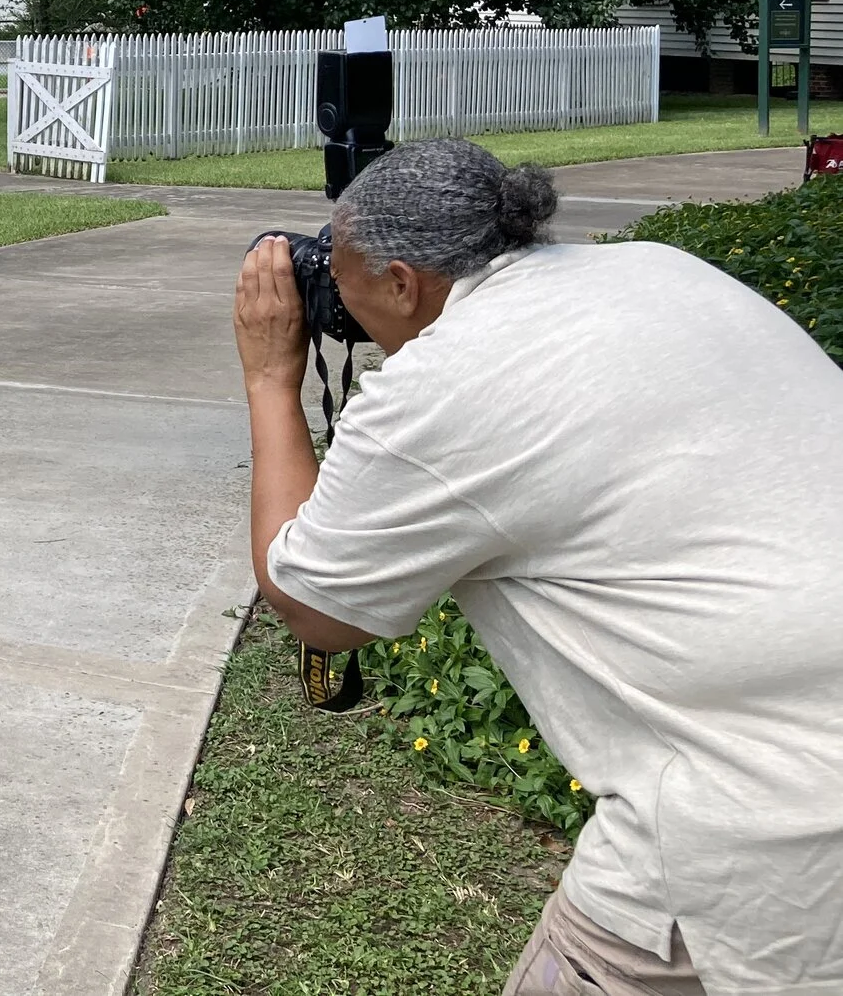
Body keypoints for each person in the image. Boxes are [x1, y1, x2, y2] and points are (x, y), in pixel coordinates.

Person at [237, 138, 843, 996]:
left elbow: (316, 610)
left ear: (405, 283)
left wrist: (270, 376)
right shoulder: (656, 268)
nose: (334, 300)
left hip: (764, 816)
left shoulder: (450, 383)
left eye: (341, 279)